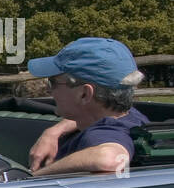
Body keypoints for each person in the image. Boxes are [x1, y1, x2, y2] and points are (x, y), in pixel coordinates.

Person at [26, 37, 149, 176]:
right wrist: (54, 132)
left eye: (53, 82)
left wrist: (35, 177)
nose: (49, 90)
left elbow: (110, 159)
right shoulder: (129, 116)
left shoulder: (103, 134)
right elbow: (95, 113)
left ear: (84, 94)